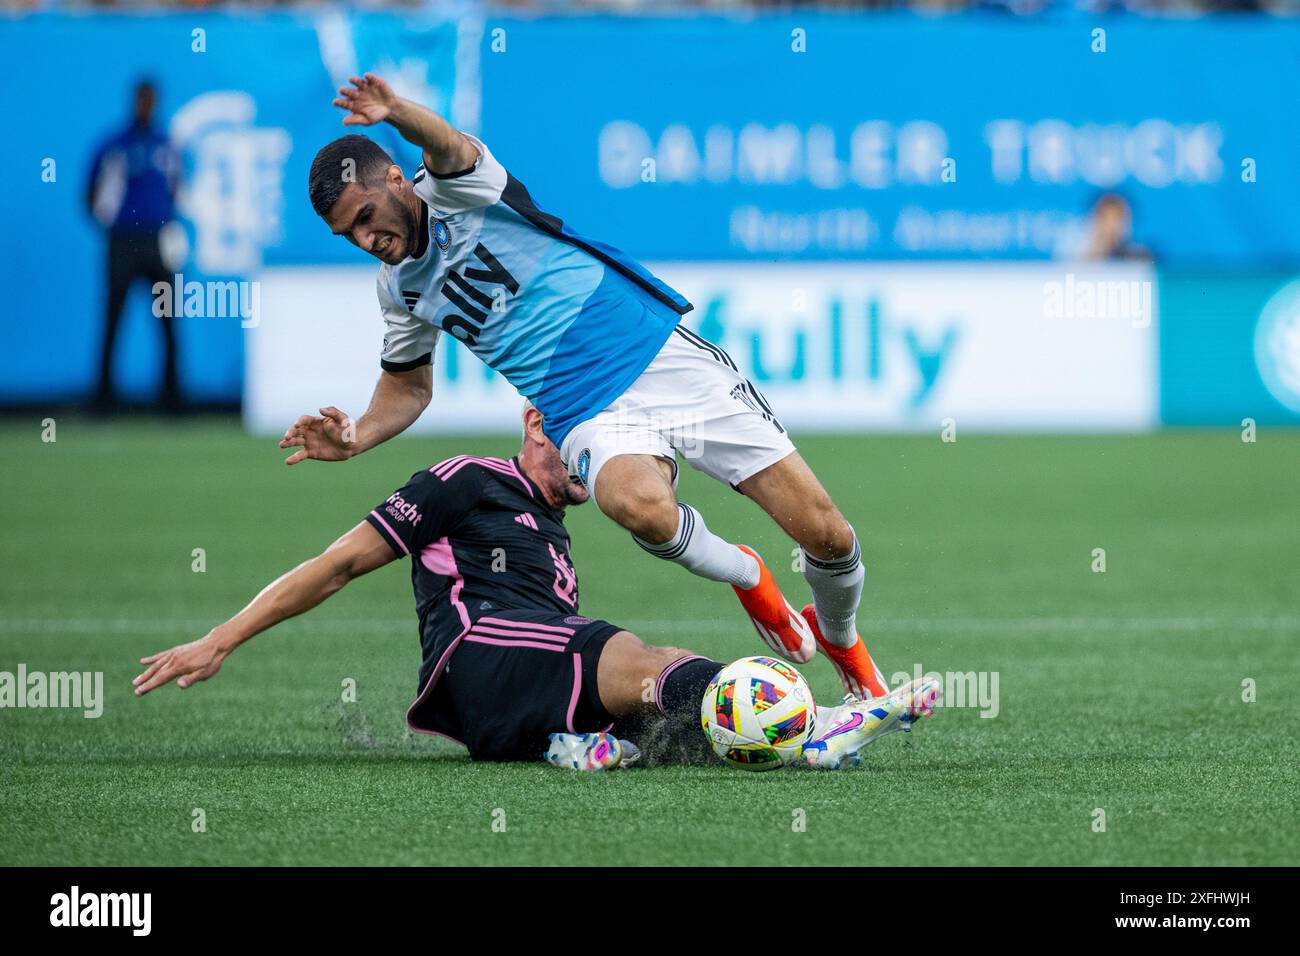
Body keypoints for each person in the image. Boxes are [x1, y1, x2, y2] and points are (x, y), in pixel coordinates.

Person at [284, 73, 891, 704]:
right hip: (577, 406)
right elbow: (408, 389)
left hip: (654, 353)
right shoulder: (398, 290)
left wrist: (398, 110)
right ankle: (748, 573)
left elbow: (443, 143)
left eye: (365, 218)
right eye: (347, 236)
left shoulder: (459, 189)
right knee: (640, 508)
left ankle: (843, 640)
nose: (365, 240)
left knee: (828, 536)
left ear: (395, 180)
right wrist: (356, 435)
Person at [135, 405, 939, 770]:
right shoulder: (465, 479)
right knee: (647, 660)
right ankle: (820, 726)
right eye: (573, 442)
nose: (587, 461)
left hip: (517, 691)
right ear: (532, 423)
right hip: (475, 656)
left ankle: (595, 747)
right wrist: (220, 639)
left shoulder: (552, 529)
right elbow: (338, 563)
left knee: (664, 722)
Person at [85, 79, 184, 413]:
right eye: (142, 100)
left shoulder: (165, 145)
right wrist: (114, 225)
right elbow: (92, 194)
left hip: (156, 240)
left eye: (151, 100)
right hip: (123, 241)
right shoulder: (115, 145)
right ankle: (104, 397)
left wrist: (167, 225)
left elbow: (176, 188)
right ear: (134, 101)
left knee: (168, 318)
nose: (147, 106)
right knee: (114, 318)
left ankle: (171, 398)